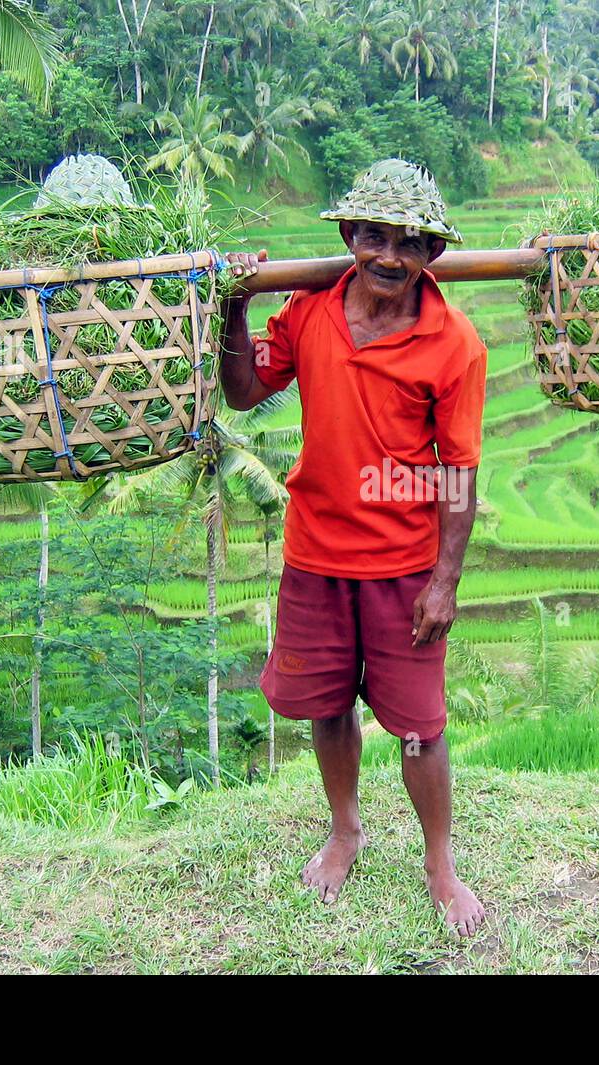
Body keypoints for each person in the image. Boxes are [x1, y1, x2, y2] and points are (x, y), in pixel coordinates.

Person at [218, 159, 488, 937]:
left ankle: (439, 862)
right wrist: (237, 310)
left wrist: (445, 581)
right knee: (327, 705)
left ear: (432, 255)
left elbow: (460, 471)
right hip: (316, 554)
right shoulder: (308, 312)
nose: (390, 257)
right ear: (348, 235)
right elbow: (244, 391)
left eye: (410, 243)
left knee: (419, 726)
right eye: (374, 236)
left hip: (403, 567)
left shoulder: (454, 343)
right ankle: (345, 829)